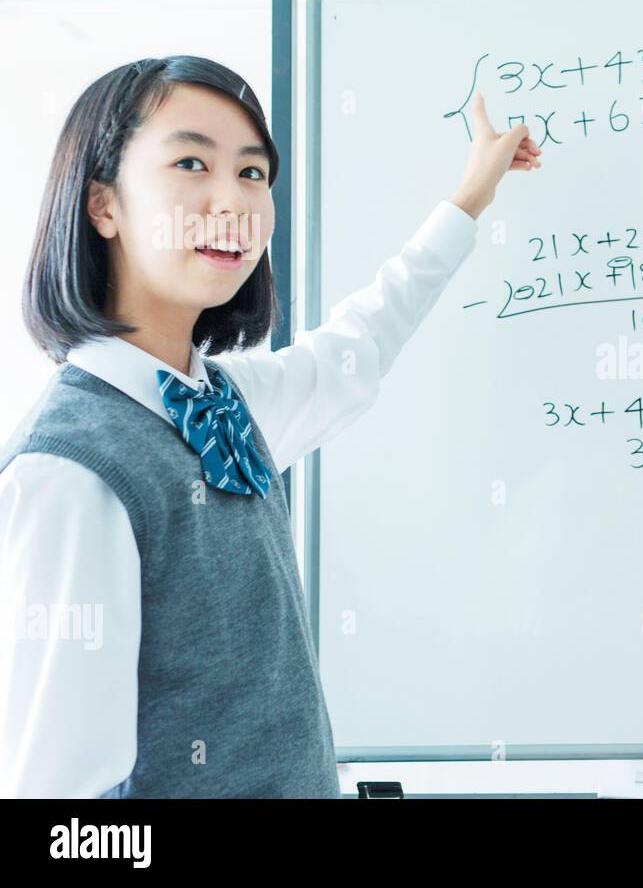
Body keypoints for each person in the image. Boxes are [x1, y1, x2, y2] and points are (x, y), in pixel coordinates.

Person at [0, 55, 540, 797]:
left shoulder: (227, 403)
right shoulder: (73, 470)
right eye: (192, 162)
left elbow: (360, 343)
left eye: (254, 174)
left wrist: (473, 193)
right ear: (103, 206)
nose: (235, 202)